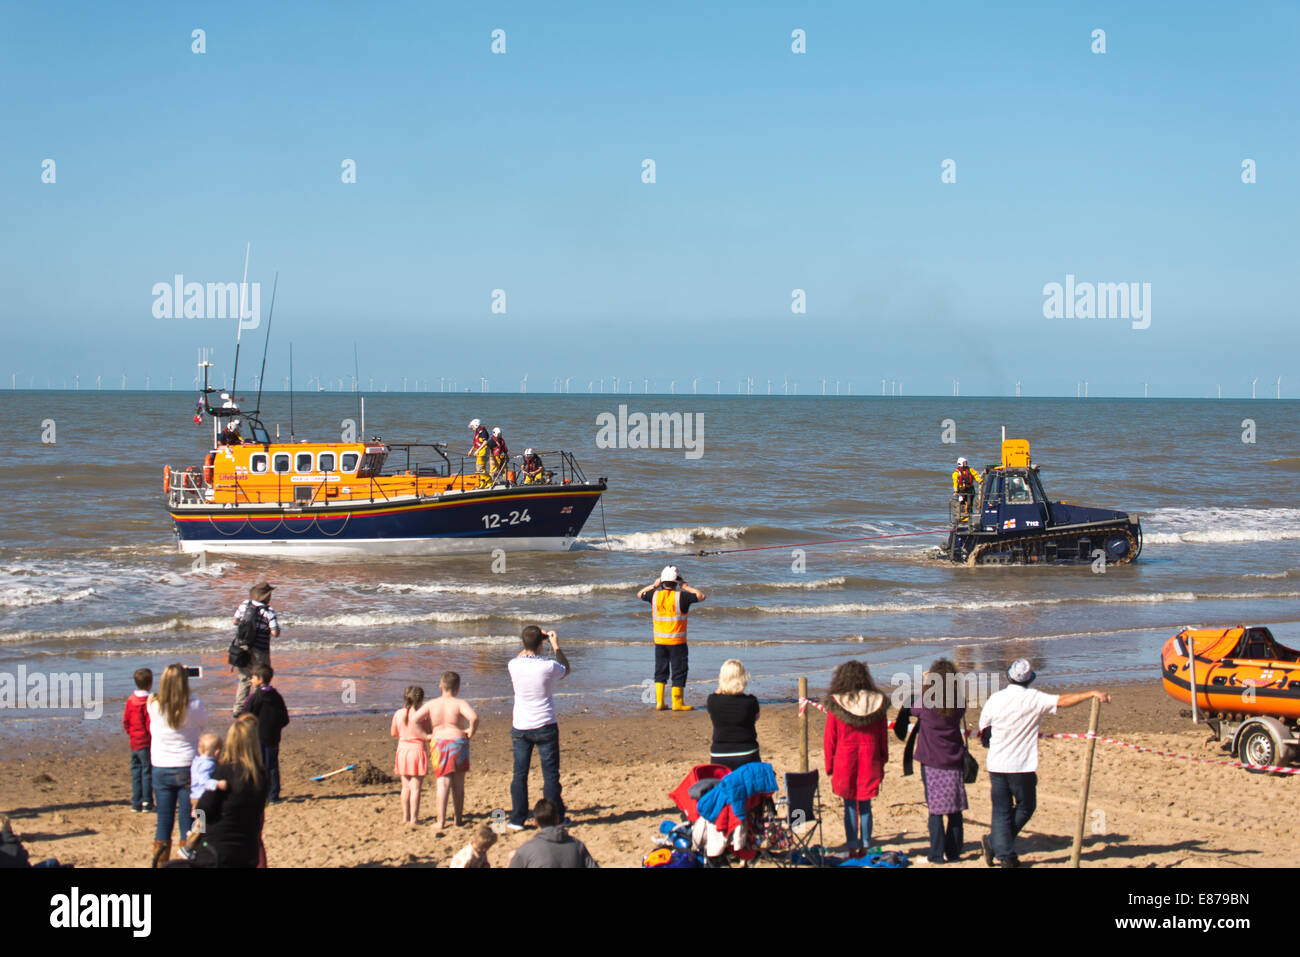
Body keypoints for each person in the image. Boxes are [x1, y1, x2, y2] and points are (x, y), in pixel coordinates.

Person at [977, 658, 1110, 868]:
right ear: (1029, 679)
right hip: (1019, 764)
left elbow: (984, 729)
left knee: (1003, 810)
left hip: (999, 762)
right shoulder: (1033, 698)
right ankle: (1005, 855)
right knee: (1025, 806)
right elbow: (1063, 700)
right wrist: (1090, 693)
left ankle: (997, 844)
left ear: (1009, 677)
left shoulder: (997, 699)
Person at [894, 659, 968, 864]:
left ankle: (936, 853)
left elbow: (912, 705)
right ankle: (953, 851)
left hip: (931, 760)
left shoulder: (925, 704)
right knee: (954, 809)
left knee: (935, 810)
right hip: (953, 758)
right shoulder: (958, 703)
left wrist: (926, 681)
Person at [822, 660, 888, 855]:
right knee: (865, 803)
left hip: (845, 758)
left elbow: (829, 739)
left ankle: (852, 845)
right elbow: (883, 735)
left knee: (850, 804)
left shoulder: (837, 704)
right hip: (871, 757)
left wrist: (829, 764)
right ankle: (865, 844)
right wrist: (883, 758)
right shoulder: (876, 702)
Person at [507, 625, 569, 829]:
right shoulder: (548, 666)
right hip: (545, 724)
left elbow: (520, 656)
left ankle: (517, 818)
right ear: (541, 645)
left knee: (520, 773)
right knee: (550, 774)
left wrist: (532, 640)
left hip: (521, 726)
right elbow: (566, 669)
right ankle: (553, 818)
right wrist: (556, 645)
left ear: (523, 644)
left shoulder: (513, 665)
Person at [189, 715, 270, 867]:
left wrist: (197, 818)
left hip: (217, 849)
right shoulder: (261, 775)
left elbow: (203, 809)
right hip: (247, 849)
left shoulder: (224, 772)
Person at [147, 663, 208, 867]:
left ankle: (159, 862)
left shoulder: (154, 704)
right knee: (188, 823)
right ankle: (186, 862)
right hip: (187, 765)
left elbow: (156, 697)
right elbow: (202, 724)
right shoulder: (194, 704)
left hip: (161, 766)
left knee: (163, 822)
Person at [415, 671, 478, 830]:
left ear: (440, 686)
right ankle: (458, 819)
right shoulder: (459, 703)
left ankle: (441, 821)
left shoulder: (432, 704)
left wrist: (424, 735)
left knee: (442, 783)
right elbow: (474, 717)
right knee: (459, 784)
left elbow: (414, 720)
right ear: (457, 688)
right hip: (458, 742)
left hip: (439, 743)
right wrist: (471, 730)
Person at [637, 565, 706, 711]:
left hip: (660, 642)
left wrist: (653, 585)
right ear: (677, 582)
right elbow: (701, 596)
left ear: (662, 582)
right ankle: (677, 703)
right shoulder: (682, 596)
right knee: (679, 671)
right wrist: (686, 586)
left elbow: (640, 594)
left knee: (660, 670)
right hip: (677, 642)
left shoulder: (654, 596)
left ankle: (660, 702)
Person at [243, 664, 289, 804]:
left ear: (260, 679)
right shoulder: (277, 696)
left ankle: (260, 795)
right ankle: (273, 795)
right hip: (272, 737)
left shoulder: (254, 697)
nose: (251, 680)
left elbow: (245, 716)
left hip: (257, 738)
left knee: (258, 766)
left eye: (253, 677)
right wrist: (276, 728)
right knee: (272, 766)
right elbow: (284, 718)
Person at [231, 582, 279, 716]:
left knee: (244, 679)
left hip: (242, 646)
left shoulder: (244, 605)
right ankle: (259, 707)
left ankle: (239, 709)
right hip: (260, 649)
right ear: (267, 596)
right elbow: (275, 633)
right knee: (261, 678)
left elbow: (235, 621)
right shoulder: (268, 611)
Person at [507, 799, 598, 868]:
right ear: (557, 819)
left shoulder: (526, 849)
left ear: (535, 822)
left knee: (512, 855)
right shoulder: (577, 845)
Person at [706, 659, 760, 769]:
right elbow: (756, 717)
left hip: (720, 754)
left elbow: (716, 694)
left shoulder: (712, 701)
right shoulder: (751, 701)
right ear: (743, 678)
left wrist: (722, 686)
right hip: (747, 752)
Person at [391, 686, 430, 826]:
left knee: (405, 787)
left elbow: (393, 733)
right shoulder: (422, 715)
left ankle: (405, 817)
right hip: (417, 750)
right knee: (416, 788)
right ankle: (414, 818)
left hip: (402, 750)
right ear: (421, 699)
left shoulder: (398, 713)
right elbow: (427, 733)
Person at [122, 667, 153, 812]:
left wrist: (131, 733)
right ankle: (146, 801)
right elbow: (149, 722)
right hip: (146, 741)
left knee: (136, 772)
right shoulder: (149, 701)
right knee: (146, 772)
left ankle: (135, 802)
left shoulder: (131, 700)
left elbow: (126, 720)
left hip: (134, 741)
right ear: (150, 683)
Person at [468, 418, 490, 488]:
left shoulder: (483, 432)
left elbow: (485, 442)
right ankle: (483, 482)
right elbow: (476, 443)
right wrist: (471, 450)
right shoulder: (476, 433)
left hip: (484, 451)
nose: (472, 428)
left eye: (473, 426)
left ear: (476, 426)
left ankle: (489, 481)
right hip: (479, 451)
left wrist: (477, 450)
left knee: (480, 468)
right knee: (479, 468)